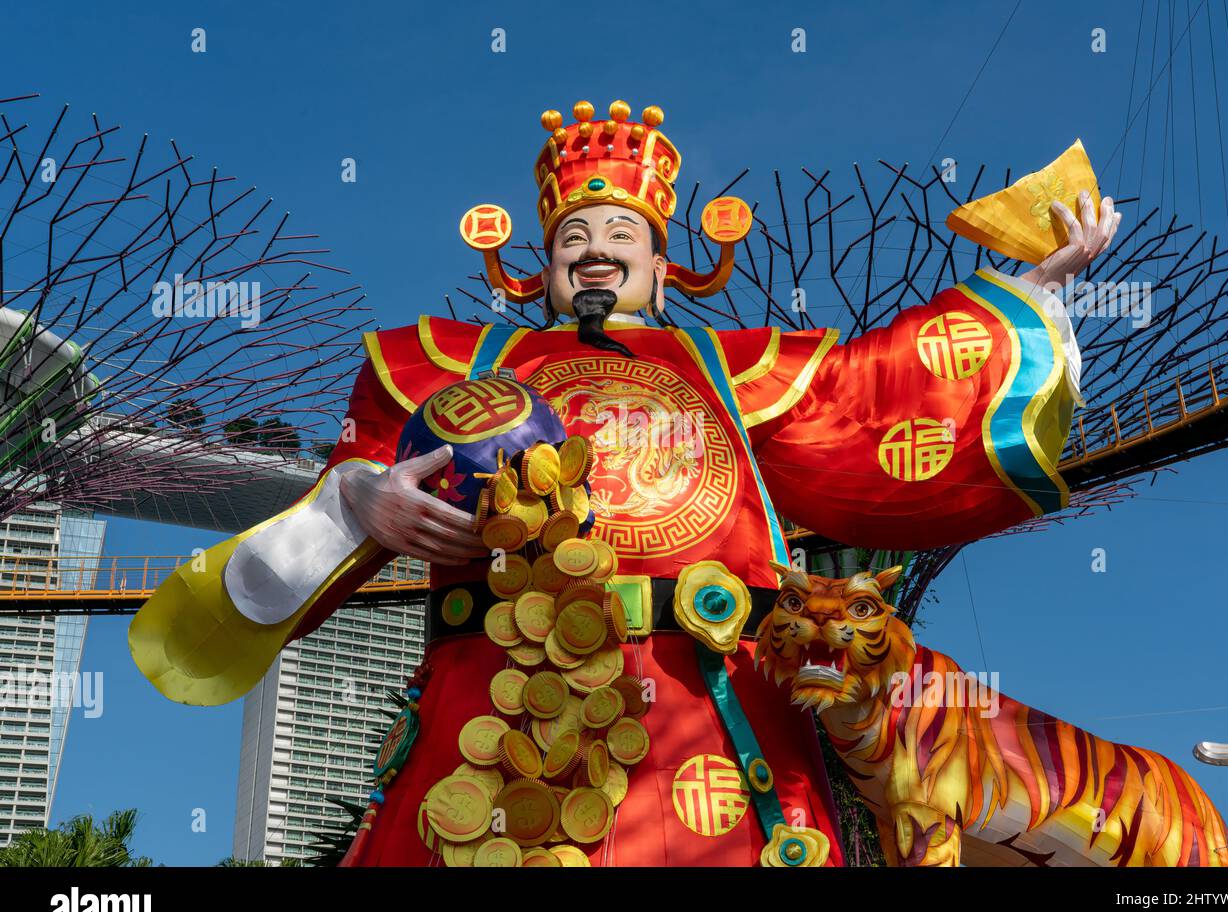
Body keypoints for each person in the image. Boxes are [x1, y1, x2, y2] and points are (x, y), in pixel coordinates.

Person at [130, 100, 1118, 866]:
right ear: (539, 261)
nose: (595, 252)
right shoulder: (438, 364)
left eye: (621, 239)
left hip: (712, 720)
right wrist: (363, 503)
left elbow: (886, 394)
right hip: (497, 709)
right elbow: (346, 484)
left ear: (664, 262)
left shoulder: (742, 367)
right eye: (573, 240)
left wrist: (1030, 291)